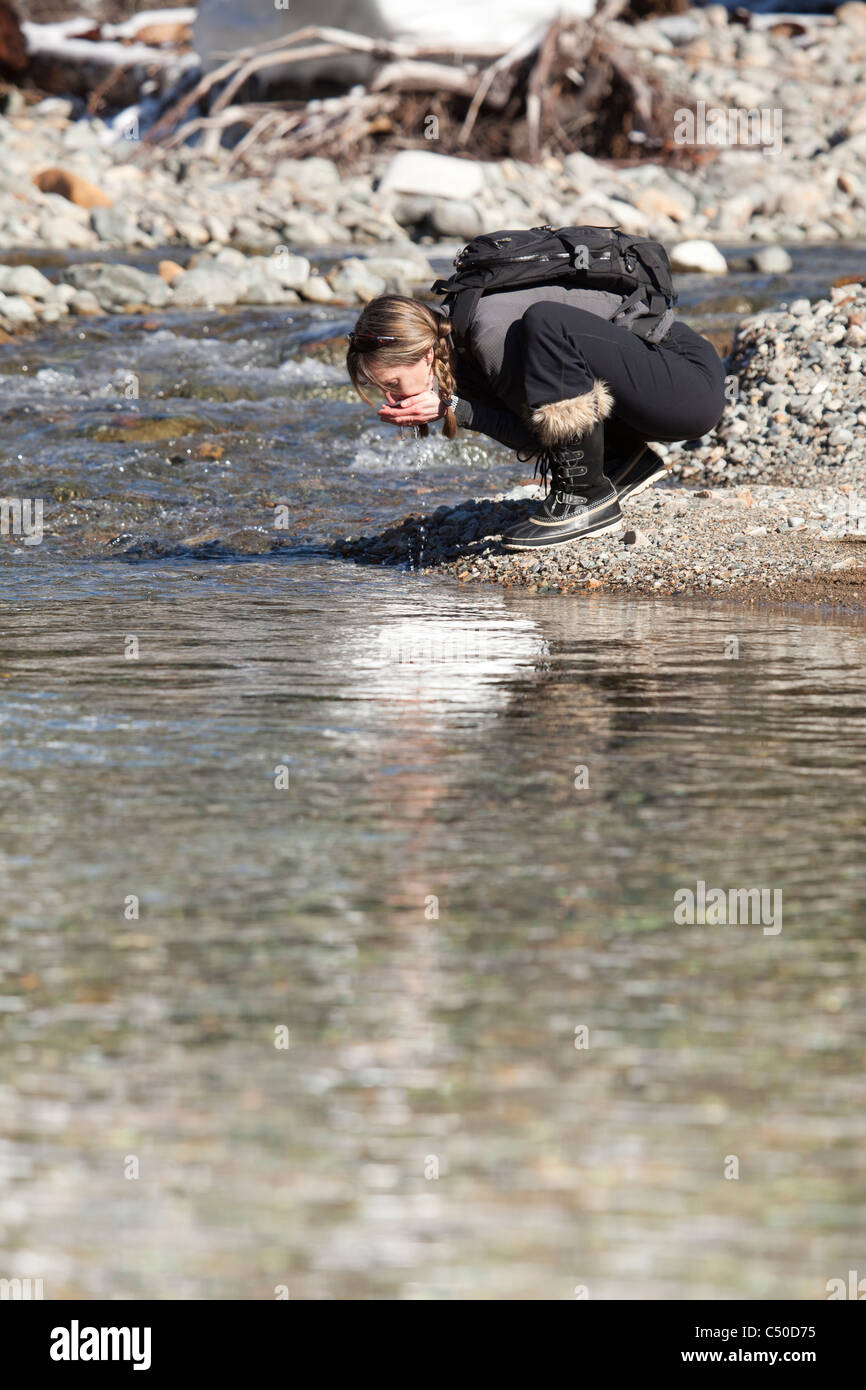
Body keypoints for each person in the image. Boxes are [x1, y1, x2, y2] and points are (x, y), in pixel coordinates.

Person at [345, 286, 727, 550]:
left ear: (425, 355)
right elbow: (535, 430)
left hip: (687, 385)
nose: (392, 397)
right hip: (653, 386)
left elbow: (538, 434)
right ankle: (621, 461)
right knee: (549, 366)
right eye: (383, 390)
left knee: (547, 322)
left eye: (392, 382)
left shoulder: (489, 334)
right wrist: (455, 404)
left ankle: (586, 497)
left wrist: (453, 408)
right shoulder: (458, 346)